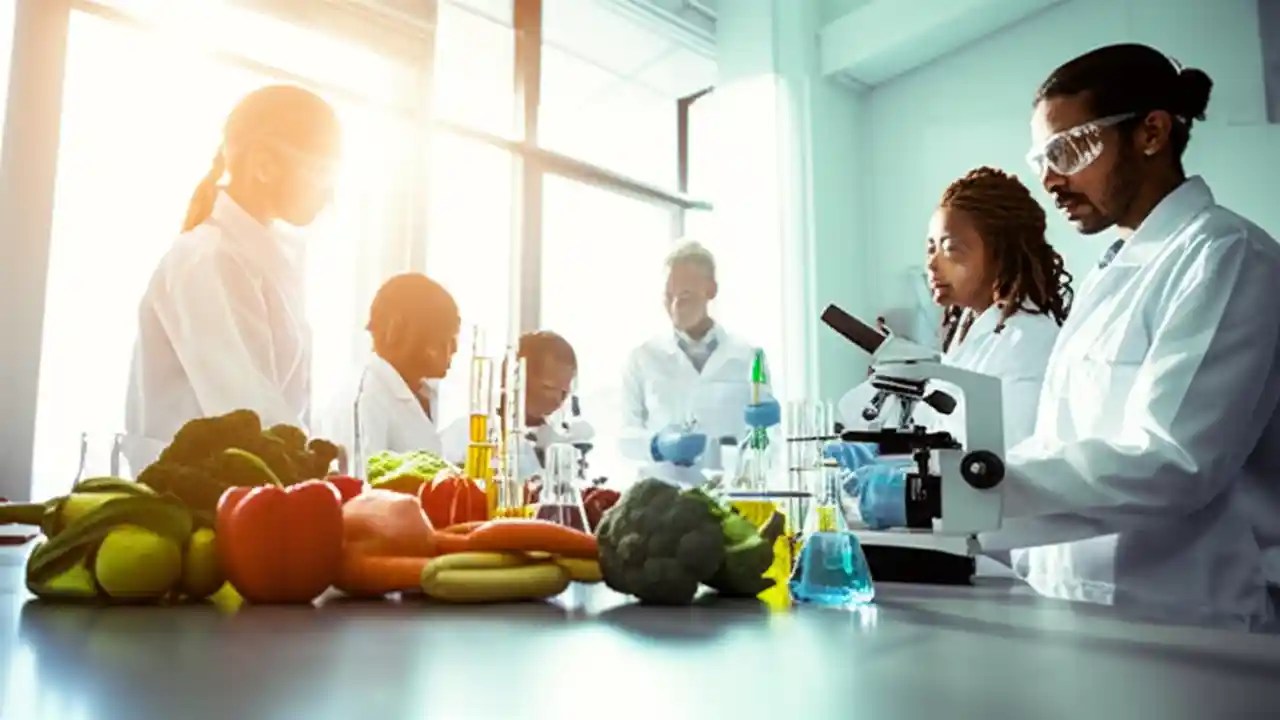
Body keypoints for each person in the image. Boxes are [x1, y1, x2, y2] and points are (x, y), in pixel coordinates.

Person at [871, 44, 1280, 629]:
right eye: (1042, 157)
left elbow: (1174, 460)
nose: (1050, 179)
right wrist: (949, 496)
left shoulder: (1225, 256)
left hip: (1182, 617)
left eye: (1069, 150)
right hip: (1073, 605)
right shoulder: (1113, 272)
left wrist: (953, 491)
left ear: (1152, 132)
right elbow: (1060, 444)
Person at [125, 85, 342, 452]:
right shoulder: (209, 258)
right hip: (201, 483)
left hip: (248, 477)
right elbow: (247, 413)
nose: (330, 193)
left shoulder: (267, 257)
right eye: (320, 171)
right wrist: (317, 466)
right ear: (263, 166)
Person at [834, 167, 1073, 455]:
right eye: (930, 248)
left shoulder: (1029, 340)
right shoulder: (971, 330)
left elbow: (1010, 450)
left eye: (950, 249)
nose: (932, 264)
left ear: (1001, 254)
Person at [620, 241, 780, 474]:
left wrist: (766, 430)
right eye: (668, 296)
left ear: (711, 290)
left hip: (730, 488)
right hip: (663, 490)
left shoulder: (749, 357)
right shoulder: (642, 358)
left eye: (685, 295)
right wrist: (657, 446)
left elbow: (770, 441)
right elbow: (625, 436)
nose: (675, 306)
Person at [319, 273, 461, 470]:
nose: (454, 349)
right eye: (445, 337)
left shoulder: (426, 394)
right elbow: (363, 483)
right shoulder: (368, 398)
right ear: (402, 331)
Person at [440, 331, 591, 480]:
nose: (557, 400)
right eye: (549, 388)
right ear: (513, 379)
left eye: (564, 392)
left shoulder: (558, 442)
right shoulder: (466, 437)